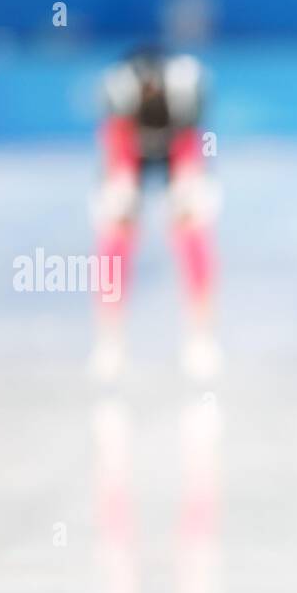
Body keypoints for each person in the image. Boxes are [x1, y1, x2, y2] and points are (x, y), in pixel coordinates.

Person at [89, 45, 221, 380]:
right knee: (116, 234)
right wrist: (119, 189)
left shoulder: (186, 91)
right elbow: (114, 146)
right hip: (127, 152)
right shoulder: (119, 95)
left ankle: (200, 337)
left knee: (192, 231)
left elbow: (194, 145)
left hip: (180, 151)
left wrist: (189, 189)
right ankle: (110, 340)